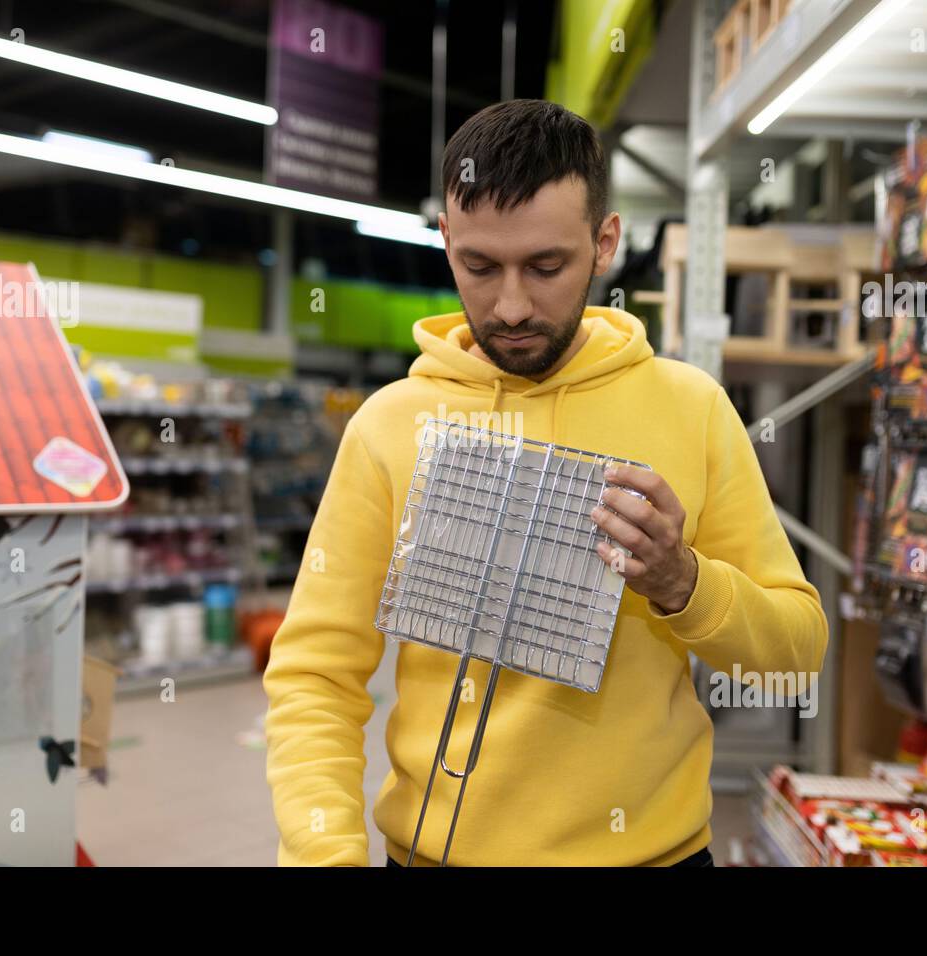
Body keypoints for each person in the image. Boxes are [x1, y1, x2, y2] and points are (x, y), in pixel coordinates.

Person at [263, 99, 828, 867]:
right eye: (480, 266)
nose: (513, 306)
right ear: (446, 240)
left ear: (605, 243)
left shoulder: (691, 409)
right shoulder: (389, 426)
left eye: (546, 266)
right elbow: (316, 675)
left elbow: (794, 653)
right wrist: (324, 852)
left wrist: (684, 583)